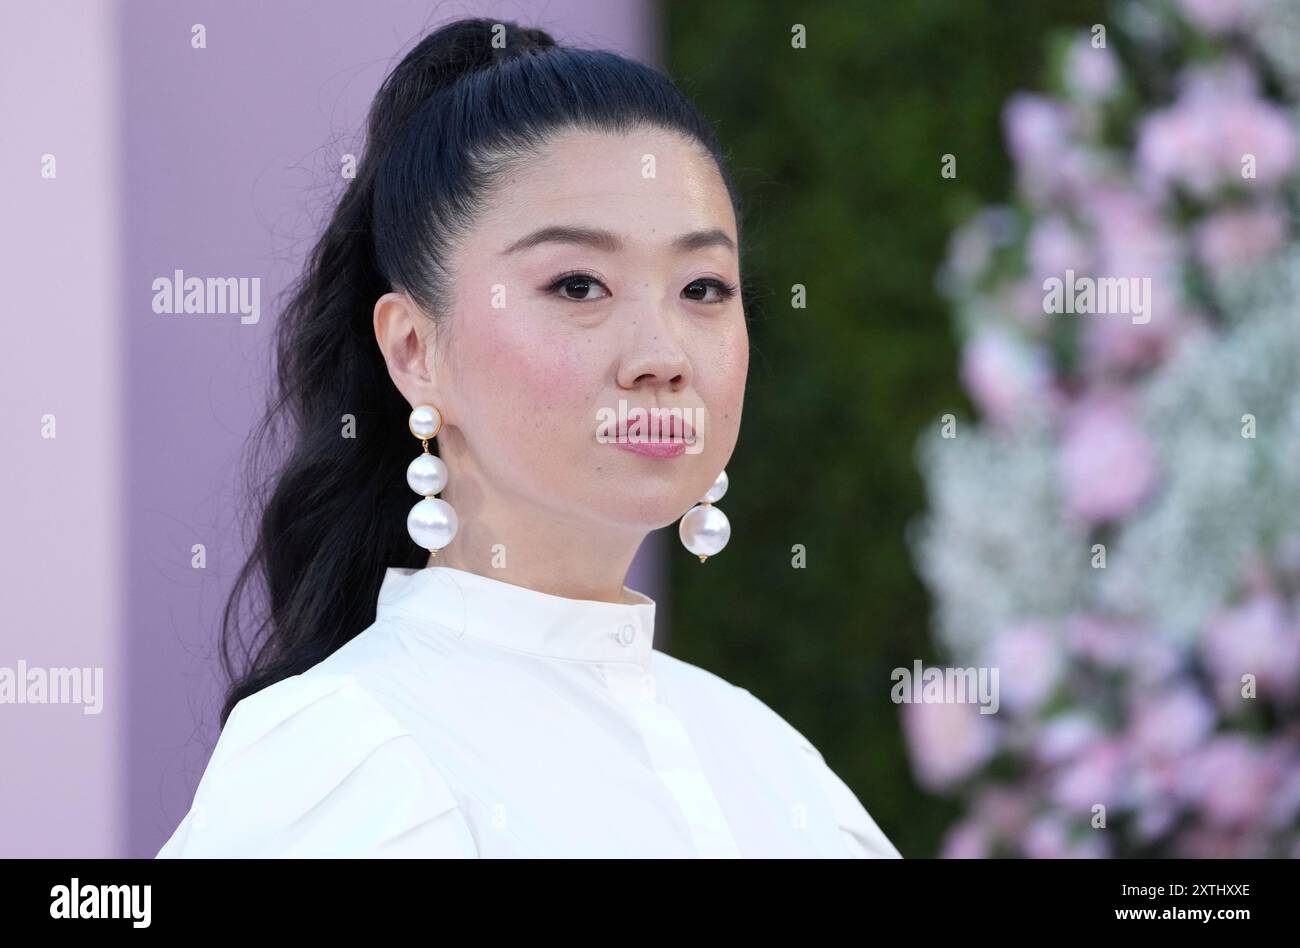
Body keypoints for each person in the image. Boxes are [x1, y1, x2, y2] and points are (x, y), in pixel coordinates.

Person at [156, 16, 901, 859]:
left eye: (703, 287)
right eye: (579, 284)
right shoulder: (349, 758)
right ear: (414, 349)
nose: (661, 357)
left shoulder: (775, 765)